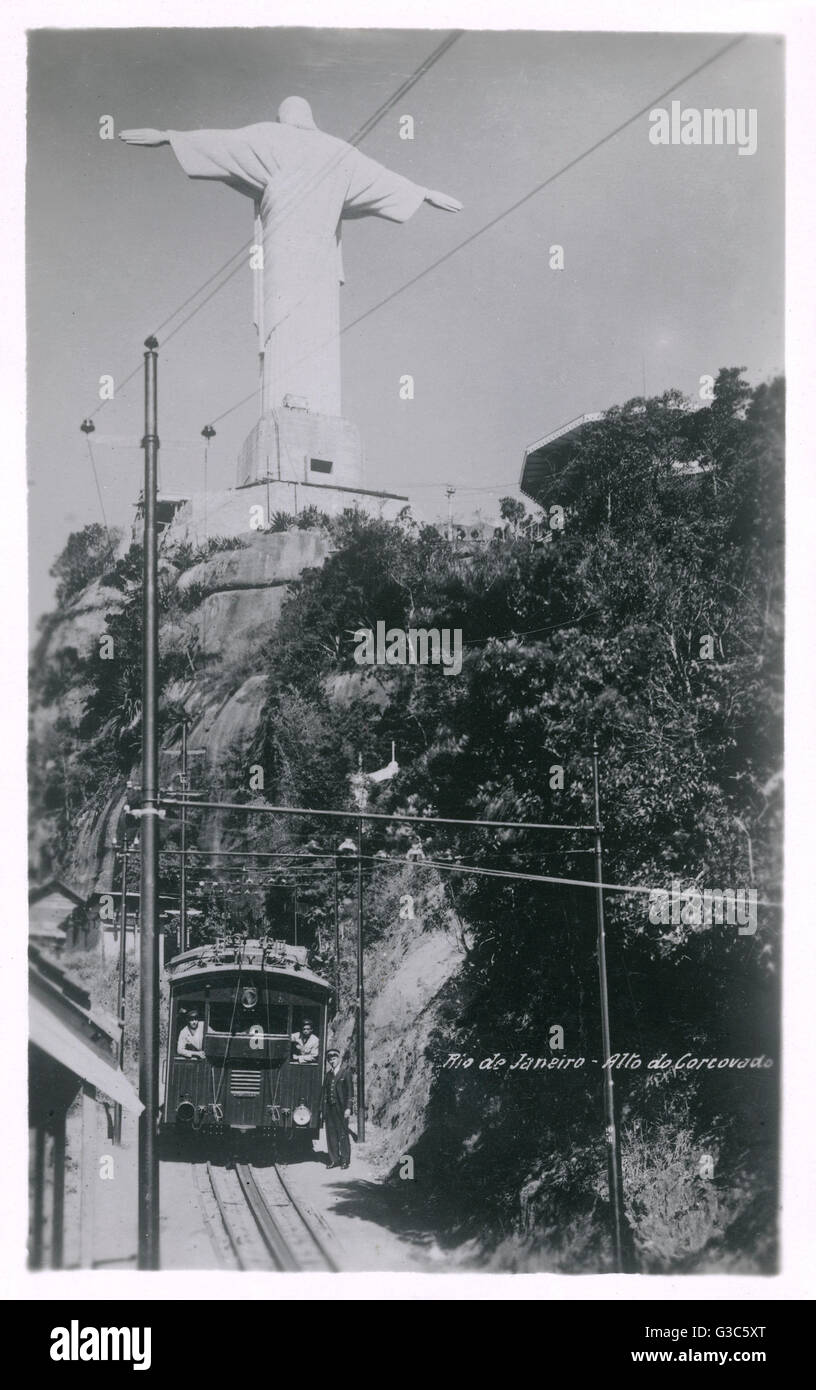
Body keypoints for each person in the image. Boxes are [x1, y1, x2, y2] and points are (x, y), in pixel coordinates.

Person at [322, 1048, 353, 1169]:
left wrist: (348, 1108)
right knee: (331, 1135)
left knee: (343, 1134)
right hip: (330, 1109)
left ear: (338, 1058)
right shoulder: (328, 1075)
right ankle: (334, 1159)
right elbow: (324, 1092)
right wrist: (323, 1110)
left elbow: (350, 1092)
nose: (332, 1061)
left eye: (334, 1058)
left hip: (341, 1109)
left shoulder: (345, 1073)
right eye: (330, 1059)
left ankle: (345, 1160)